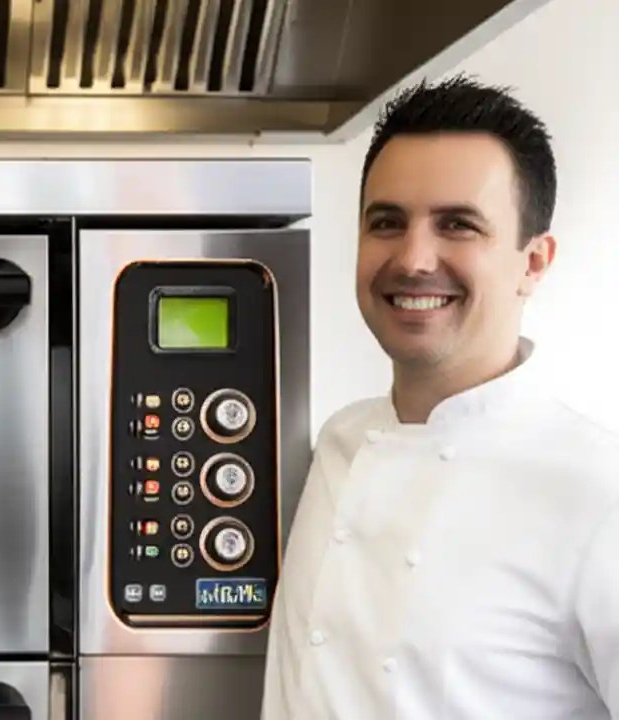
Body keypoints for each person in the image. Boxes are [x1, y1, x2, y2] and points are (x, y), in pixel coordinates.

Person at [260, 75, 619, 719]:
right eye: (387, 222)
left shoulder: (597, 494)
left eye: (458, 224)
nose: (414, 258)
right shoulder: (337, 443)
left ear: (534, 262)